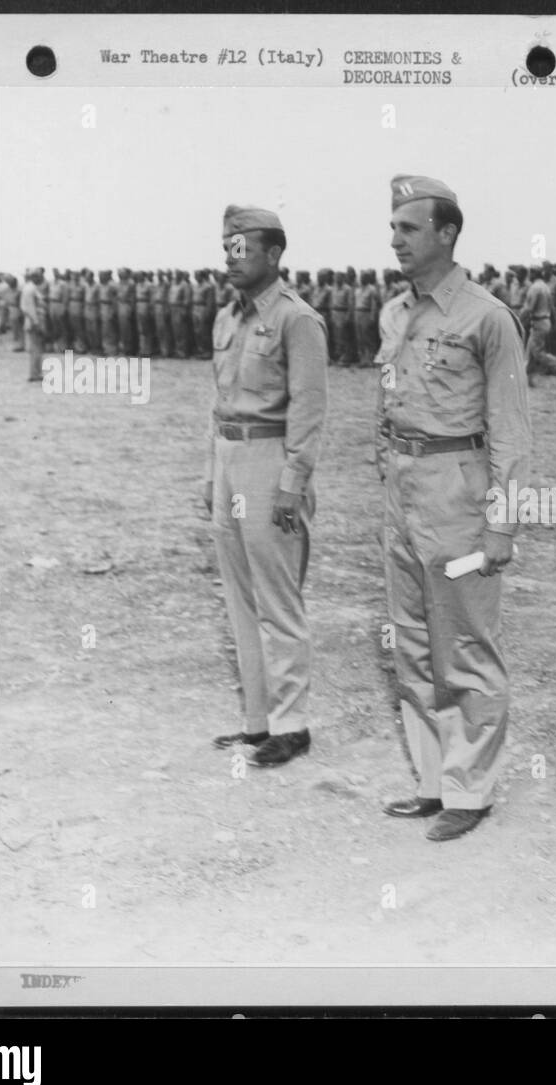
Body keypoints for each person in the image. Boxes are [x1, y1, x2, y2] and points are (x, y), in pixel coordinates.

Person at [376, 174, 531, 842]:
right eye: (393, 228)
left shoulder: (487, 317)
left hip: (458, 492)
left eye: (409, 228)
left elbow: (513, 429)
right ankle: (433, 781)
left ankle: (472, 788)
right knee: (411, 643)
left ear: (447, 233)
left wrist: (502, 520)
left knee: (466, 643)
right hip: (402, 488)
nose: (396, 239)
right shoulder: (392, 312)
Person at [204, 205, 330, 768]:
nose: (231, 257)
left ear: (274, 253)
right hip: (231, 456)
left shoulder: (296, 319)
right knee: (239, 598)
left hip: (270, 460)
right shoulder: (227, 318)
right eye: (226, 246)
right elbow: (218, 404)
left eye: (242, 247)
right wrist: (212, 473)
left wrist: (292, 484)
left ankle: (293, 724)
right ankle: (258, 722)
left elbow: (309, 408)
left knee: (278, 600)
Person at [521, 265, 556, 386]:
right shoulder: (545, 287)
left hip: (538, 322)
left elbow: (529, 309)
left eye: (530, 273)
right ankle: (526, 378)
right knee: (530, 351)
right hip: (545, 321)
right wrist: (554, 323)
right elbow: (552, 308)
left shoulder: (534, 288)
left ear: (533, 274)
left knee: (538, 352)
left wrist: (519, 321)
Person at [19, 268, 49, 382]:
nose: (42, 278)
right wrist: (36, 323)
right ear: (34, 277)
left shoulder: (32, 288)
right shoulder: (30, 289)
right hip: (34, 322)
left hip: (37, 321)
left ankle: (36, 372)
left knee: (38, 349)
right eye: (40, 276)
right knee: (36, 349)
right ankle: (34, 373)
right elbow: (29, 308)